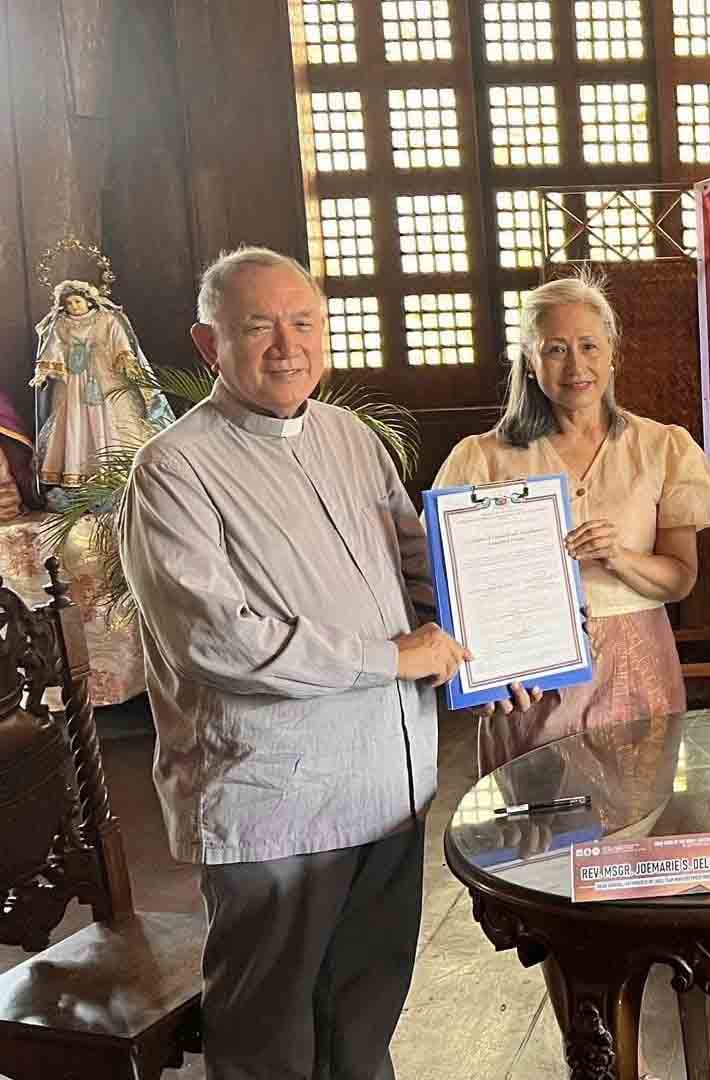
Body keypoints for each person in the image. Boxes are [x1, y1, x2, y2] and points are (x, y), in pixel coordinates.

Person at [120, 247, 469, 1080]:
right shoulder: (174, 469)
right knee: (266, 1032)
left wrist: (492, 632)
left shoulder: (349, 438)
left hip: (389, 785)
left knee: (365, 1012)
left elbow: (421, 566)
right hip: (276, 799)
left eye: (304, 322)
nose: (287, 345)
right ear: (209, 345)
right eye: (258, 326)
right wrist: (388, 657)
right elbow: (220, 640)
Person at [435, 271, 710, 773]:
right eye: (555, 350)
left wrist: (621, 556)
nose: (576, 366)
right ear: (529, 360)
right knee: (538, 831)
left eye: (589, 346)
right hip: (530, 675)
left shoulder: (663, 447)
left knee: (635, 833)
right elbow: (449, 588)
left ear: (612, 351)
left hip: (639, 667)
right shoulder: (480, 459)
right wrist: (481, 669)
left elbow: (681, 580)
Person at [31, 279, 175, 504]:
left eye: (77, 301)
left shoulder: (107, 319)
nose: (74, 307)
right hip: (73, 381)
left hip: (105, 374)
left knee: (111, 419)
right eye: (68, 304)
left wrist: (126, 361)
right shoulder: (60, 324)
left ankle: (113, 475)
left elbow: (120, 343)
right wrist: (44, 371)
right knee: (73, 422)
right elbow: (52, 347)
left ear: (89, 300)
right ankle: (78, 477)